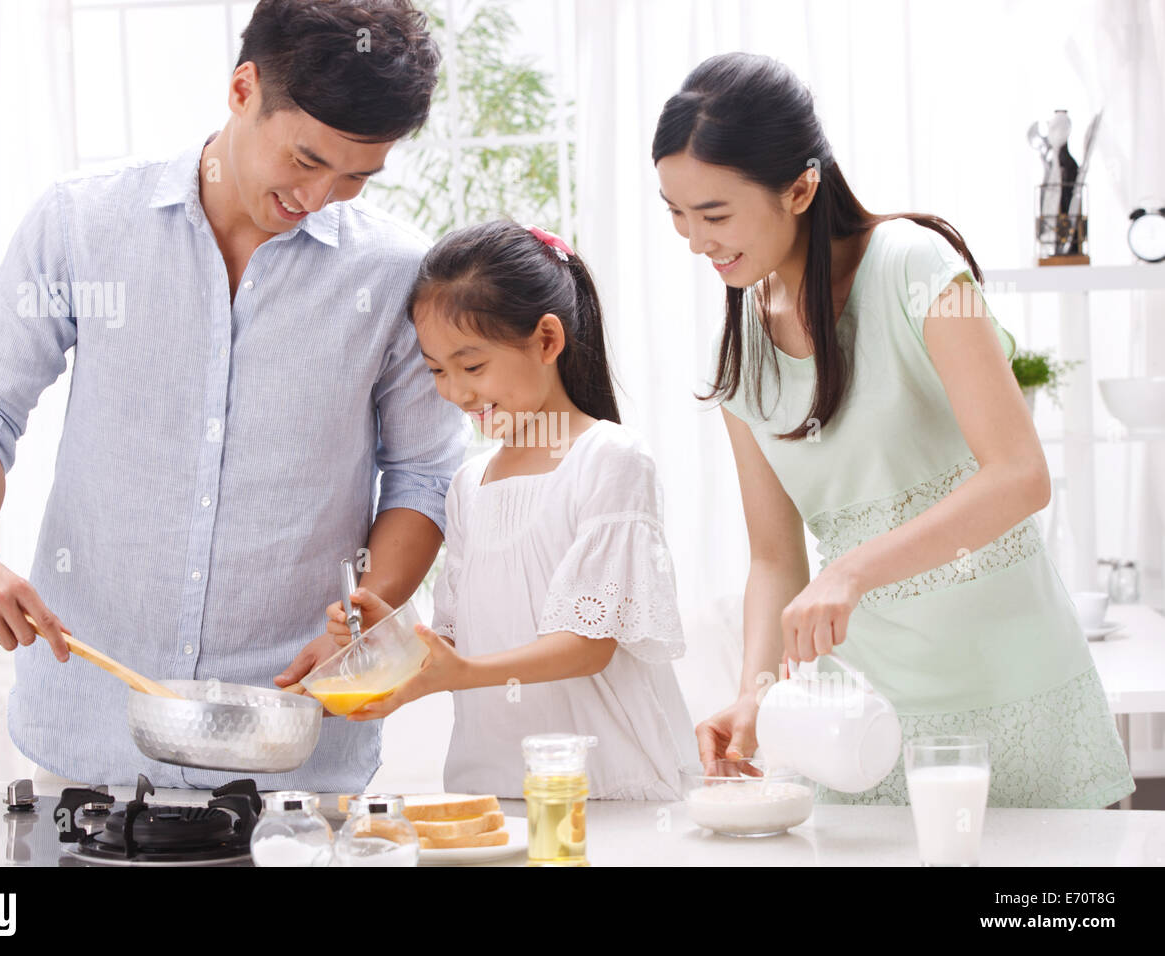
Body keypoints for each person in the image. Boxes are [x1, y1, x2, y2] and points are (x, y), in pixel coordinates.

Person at [0, 0, 468, 790]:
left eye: (356, 176)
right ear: (244, 88)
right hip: (89, 729)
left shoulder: (393, 275)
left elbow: (421, 476)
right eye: (306, 160)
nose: (318, 197)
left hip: (296, 748)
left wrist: (368, 612)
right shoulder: (83, 223)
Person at [654, 52, 1133, 808]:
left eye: (714, 214)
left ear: (801, 188)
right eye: (676, 214)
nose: (694, 240)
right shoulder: (740, 349)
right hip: (861, 727)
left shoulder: (917, 268)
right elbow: (776, 559)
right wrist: (757, 694)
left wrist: (847, 570)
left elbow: (1018, 474)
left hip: (1016, 684)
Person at [325, 220, 698, 799]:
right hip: (495, 784)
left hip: (605, 782)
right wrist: (390, 635)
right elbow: (457, 647)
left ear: (547, 341)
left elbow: (589, 643)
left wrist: (467, 674)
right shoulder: (469, 485)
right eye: (436, 370)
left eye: (472, 367)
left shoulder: (608, 459)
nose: (455, 392)